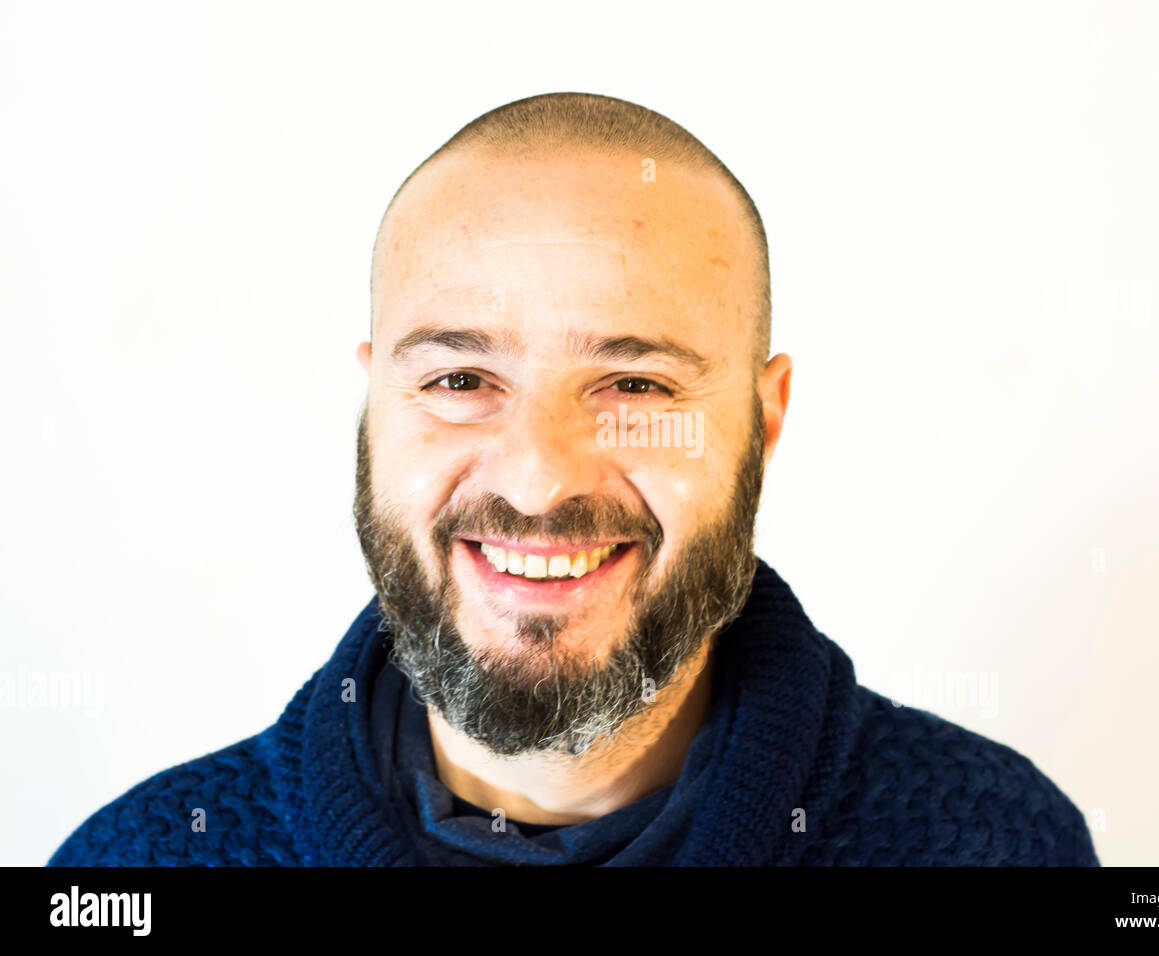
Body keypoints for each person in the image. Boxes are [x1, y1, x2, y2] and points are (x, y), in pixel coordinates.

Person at [49, 92, 1099, 866]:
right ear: (376, 405)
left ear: (761, 420)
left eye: (634, 383)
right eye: (461, 377)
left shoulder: (995, 843)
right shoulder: (132, 867)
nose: (541, 478)